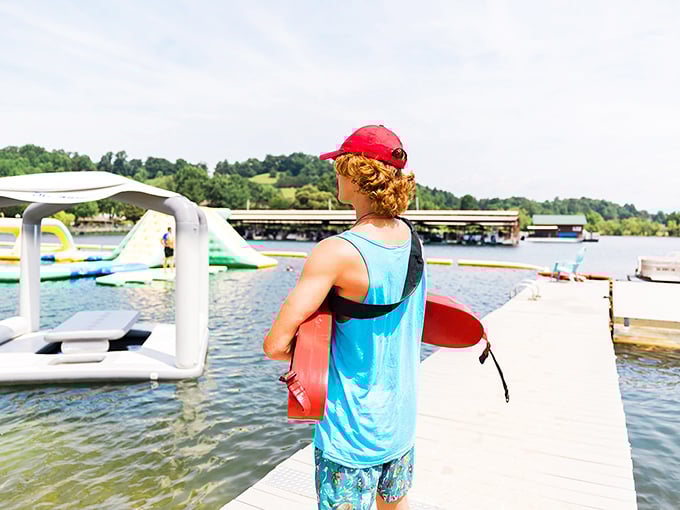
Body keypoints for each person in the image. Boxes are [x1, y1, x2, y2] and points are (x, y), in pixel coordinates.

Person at [264, 125, 426, 510]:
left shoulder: (335, 252)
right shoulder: (413, 240)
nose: (334, 172)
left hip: (351, 432)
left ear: (356, 174)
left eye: (339, 164)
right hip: (399, 424)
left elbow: (274, 346)